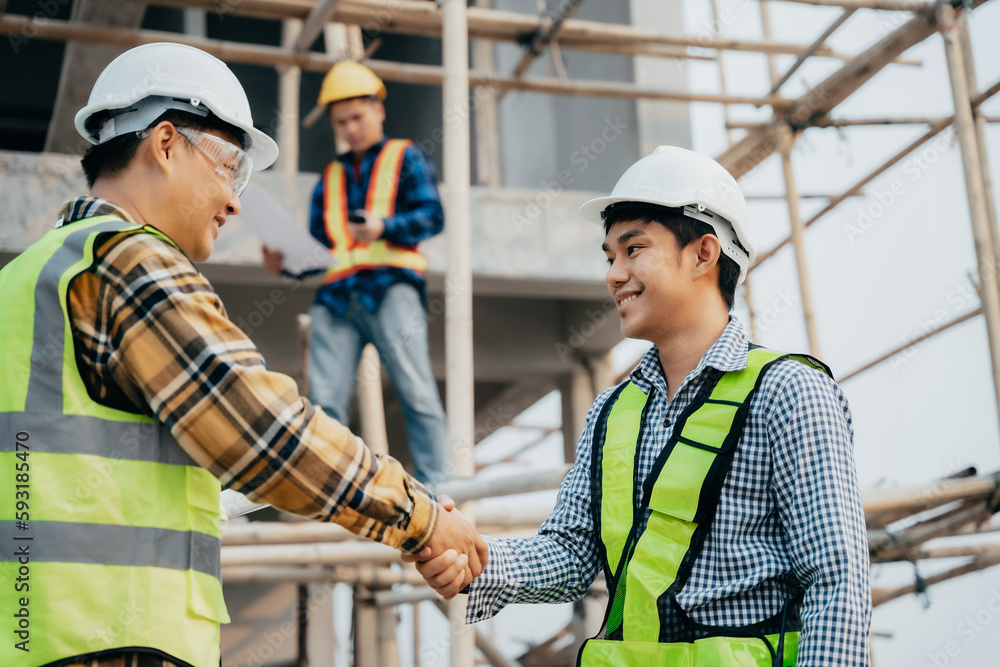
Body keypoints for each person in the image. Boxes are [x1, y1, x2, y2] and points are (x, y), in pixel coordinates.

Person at [0, 42, 485, 667]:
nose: (235, 201)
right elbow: (262, 431)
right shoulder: (129, 260)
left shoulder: (26, 276)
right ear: (166, 143)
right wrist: (419, 516)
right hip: (113, 638)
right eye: (230, 166)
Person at [406, 146, 872, 665]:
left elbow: (836, 580)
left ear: (703, 254)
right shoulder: (613, 412)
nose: (613, 274)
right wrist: (477, 558)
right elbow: (571, 554)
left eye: (634, 249)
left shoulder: (787, 392)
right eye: (610, 256)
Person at [262, 61, 448, 486]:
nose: (349, 128)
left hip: (391, 288)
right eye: (341, 121)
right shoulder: (330, 177)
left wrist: (385, 227)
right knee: (325, 401)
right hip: (337, 296)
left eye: (357, 117)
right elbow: (318, 250)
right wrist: (286, 263)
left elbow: (433, 216)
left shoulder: (406, 157)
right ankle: (331, 484)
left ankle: (438, 485)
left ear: (378, 110)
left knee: (416, 389)